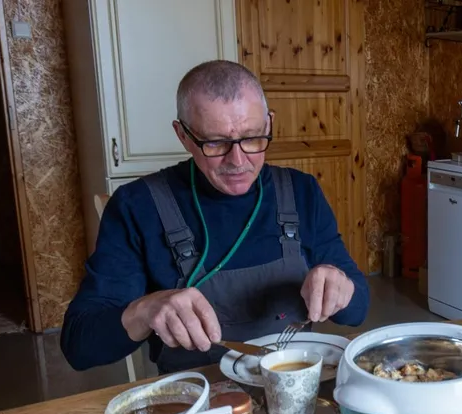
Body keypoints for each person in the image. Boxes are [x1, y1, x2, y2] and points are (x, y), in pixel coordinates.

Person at [61, 60, 369, 374]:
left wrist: (342, 288)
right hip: (199, 405)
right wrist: (143, 311)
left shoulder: (301, 191)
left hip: (291, 391)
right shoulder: (137, 206)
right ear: (182, 135)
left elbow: (357, 312)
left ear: (269, 124)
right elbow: (79, 346)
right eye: (215, 143)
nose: (238, 161)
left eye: (252, 138)